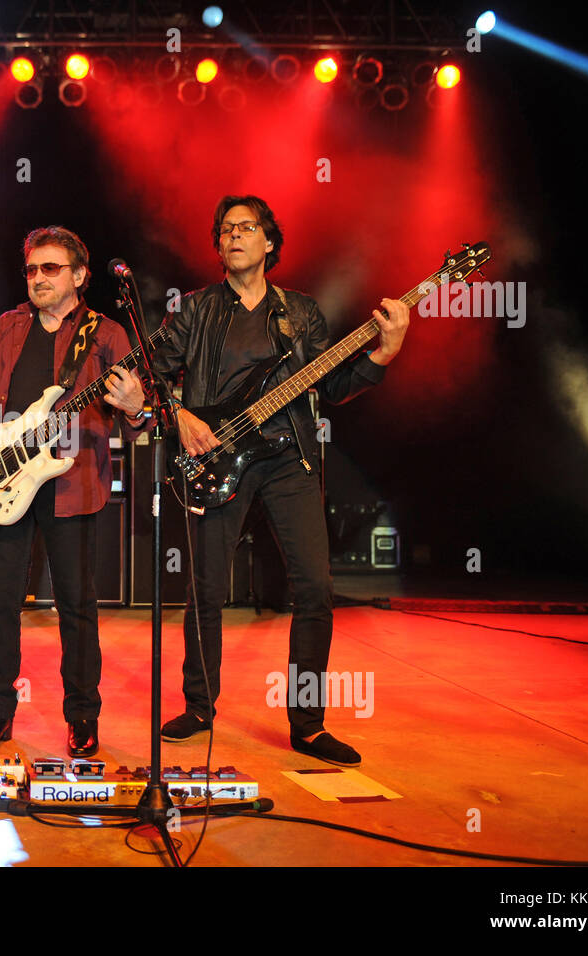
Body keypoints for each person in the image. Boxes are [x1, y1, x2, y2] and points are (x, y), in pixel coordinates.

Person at [152, 194, 410, 766]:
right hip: (216, 456)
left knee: (315, 590)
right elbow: (152, 375)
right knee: (207, 590)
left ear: (270, 243)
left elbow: (335, 386)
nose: (234, 236)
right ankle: (200, 707)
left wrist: (384, 353)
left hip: (289, 460)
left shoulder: (301, 314)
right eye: (225, 229)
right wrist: (183, 416)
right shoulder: (194, 311)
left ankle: (309, 724)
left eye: (247, 228)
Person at [0, 226, 148, 758]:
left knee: (77, 607)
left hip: (73, 485)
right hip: (10, 476)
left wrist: (135, 404)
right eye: (31, 269)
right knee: (0, 605)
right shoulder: (9, 324)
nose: (37, 278)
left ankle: (82, 718)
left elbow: (137, 416)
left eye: (50, 268)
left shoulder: (107, 332)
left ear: (79, 276)